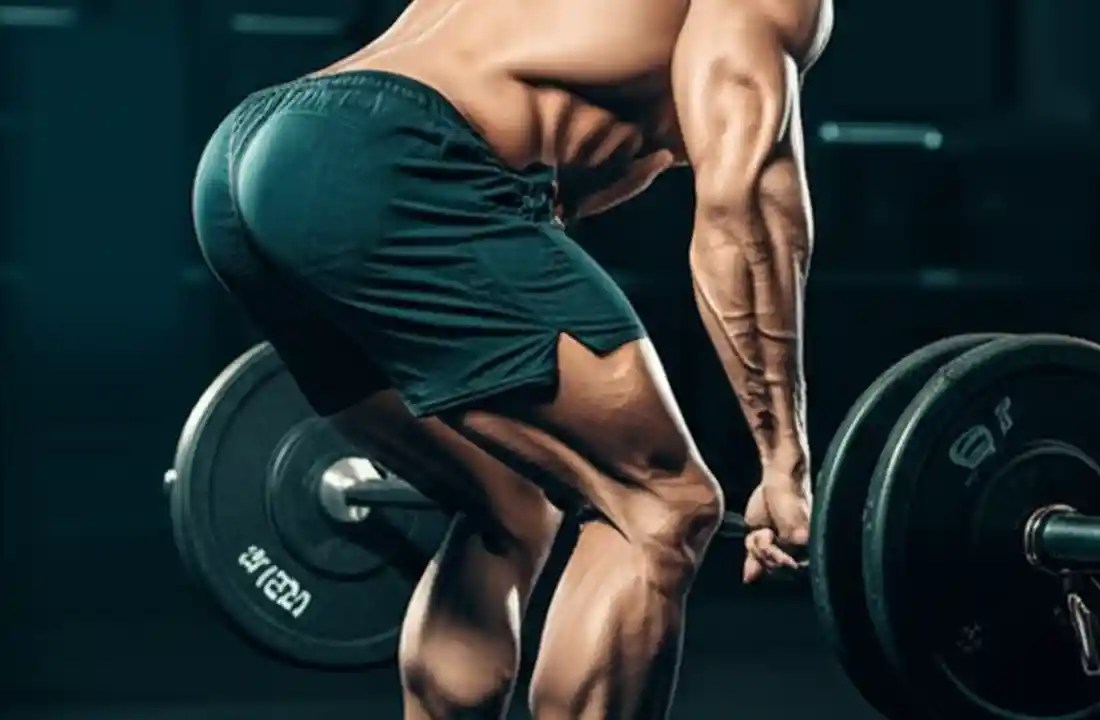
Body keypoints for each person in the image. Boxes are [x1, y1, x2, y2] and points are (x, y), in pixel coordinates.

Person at [191, 0, 832, 716]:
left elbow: (550, 192)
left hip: (255, 156)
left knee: (508, 501)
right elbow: (746, 210)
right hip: (390, 158)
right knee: (660, 507)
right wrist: (784, 462)